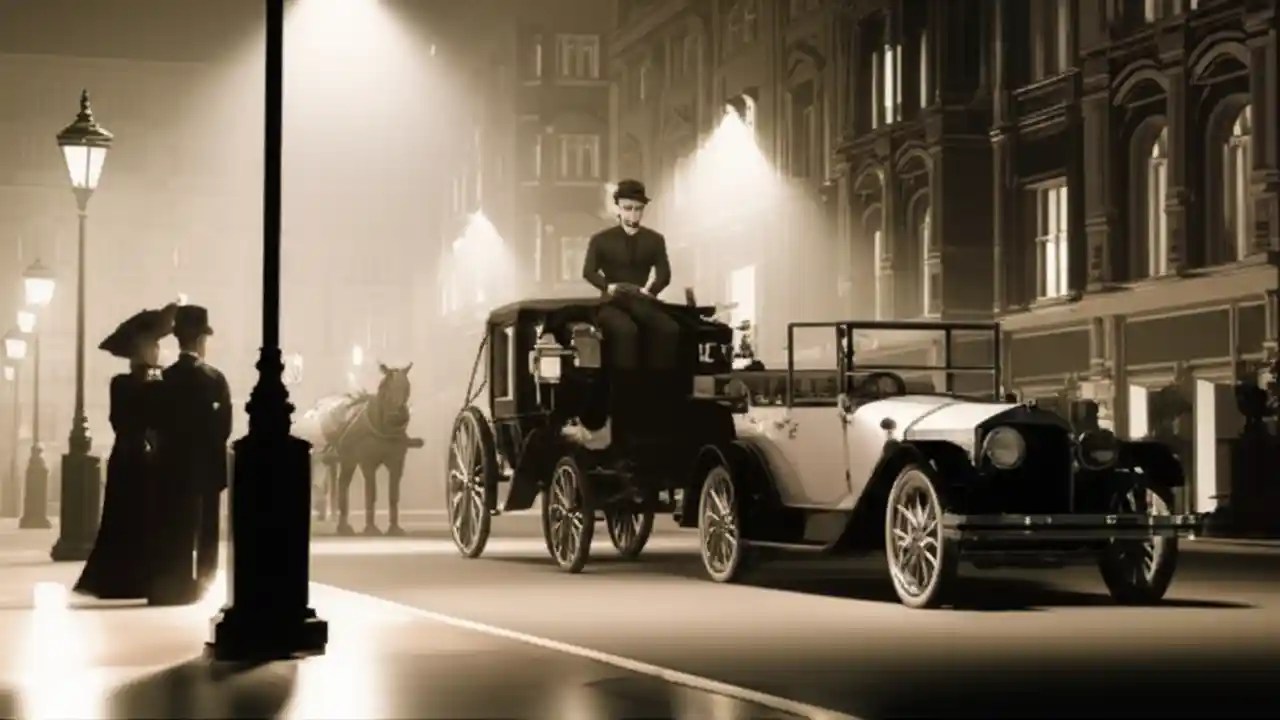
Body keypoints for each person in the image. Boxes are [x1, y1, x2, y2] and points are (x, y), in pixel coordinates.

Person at [73, 303, 177, 601]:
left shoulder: (160, 379)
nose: (156, 351)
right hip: (130, 454)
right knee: (125, 517)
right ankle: (120, 579)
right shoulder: (122, 383)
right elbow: (123, 419)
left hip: (149, 456)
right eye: (151, 346)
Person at [571, 179, 684, 447]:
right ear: (618, 209)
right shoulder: (601, 240)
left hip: (640, 300)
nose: (633, 215)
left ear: (643, 209)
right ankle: (623, 402)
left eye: (637, 209)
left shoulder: (655, 240)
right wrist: (607, 286)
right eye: (628, 208)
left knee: (670, 329)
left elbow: (665, 274)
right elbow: (588, 272)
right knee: (625, 332)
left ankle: (659, 396)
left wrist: (651, 291)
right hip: (611, 302)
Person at [151, 304, 232, 603]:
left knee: (174, 524)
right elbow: (224, 426)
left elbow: (154, 422)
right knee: (207, 527)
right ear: (201, 340)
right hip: (206, 467)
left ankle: (176, 579)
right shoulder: (214, 379)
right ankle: (205, 580)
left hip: (171, 465)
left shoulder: (163, 379)